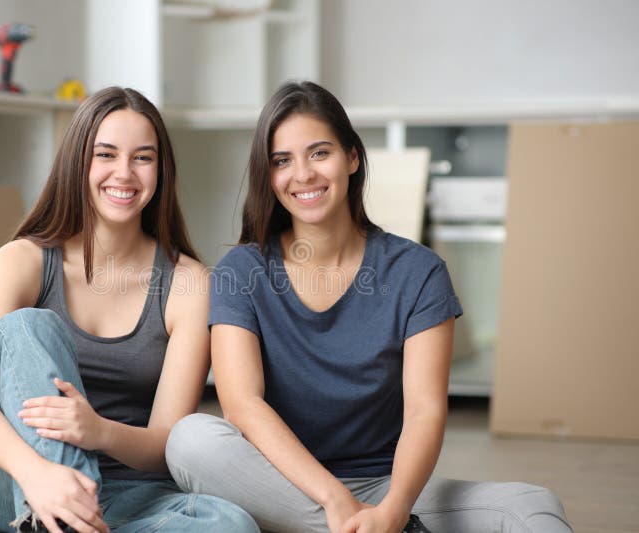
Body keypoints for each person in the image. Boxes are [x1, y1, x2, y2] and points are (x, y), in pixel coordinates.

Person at [165, 81, 572, 533]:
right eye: (282, 161)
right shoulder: (240, 270)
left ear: (352, 157)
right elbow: (243, 404)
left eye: (319, 153)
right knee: (191, 440)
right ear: (269, 174)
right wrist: (334, 500)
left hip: (384, 489)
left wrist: (395, 510)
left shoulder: (418, 272)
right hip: (277, 485)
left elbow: (424, 411)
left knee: (533, 506)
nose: (302, 174)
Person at [0, 87, 259, 533]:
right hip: (17, 479)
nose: (124, 173)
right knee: (28, 326)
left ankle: (64, 525)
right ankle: (54, 519)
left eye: (143, 158)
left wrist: (96, 431)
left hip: (128, 491)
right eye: (106, 154)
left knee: (232, 524)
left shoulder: (188, 283)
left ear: (161, 171)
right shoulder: (21, 261)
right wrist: (40, 474)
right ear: (78, 162)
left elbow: (165, 445)